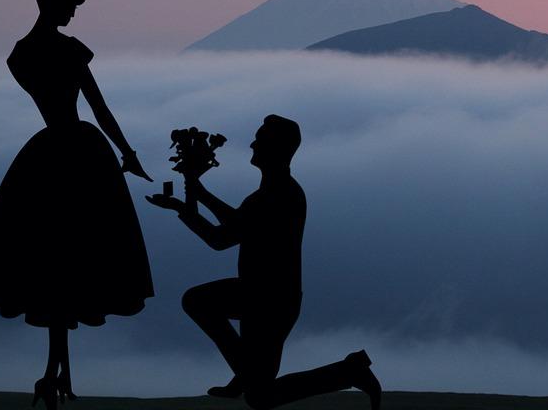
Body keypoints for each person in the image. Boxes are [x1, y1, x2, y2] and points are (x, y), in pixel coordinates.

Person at [0, 0, 154, 409]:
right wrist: (128, 152)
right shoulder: (68, 52)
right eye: (70, 6)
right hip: (81, 155)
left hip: (47, 153)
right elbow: (99, 108)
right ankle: (56, 372)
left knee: (51, 261)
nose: (73, 14)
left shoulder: (21, 55)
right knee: (73, 258)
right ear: (53, 2)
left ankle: (55, 371)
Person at [147, 114, 382, 410]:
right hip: (270, 299)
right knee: (261, 396)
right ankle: (347, 371)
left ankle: (247, 374)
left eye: (259, 139)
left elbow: (221, 237)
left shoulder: (276, 196)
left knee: (196, 301)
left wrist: (188, 201)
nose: (252, 144)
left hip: (265, 300)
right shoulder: (275, 192)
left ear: (275, 148)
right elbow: (234, 224)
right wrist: (192, 196)